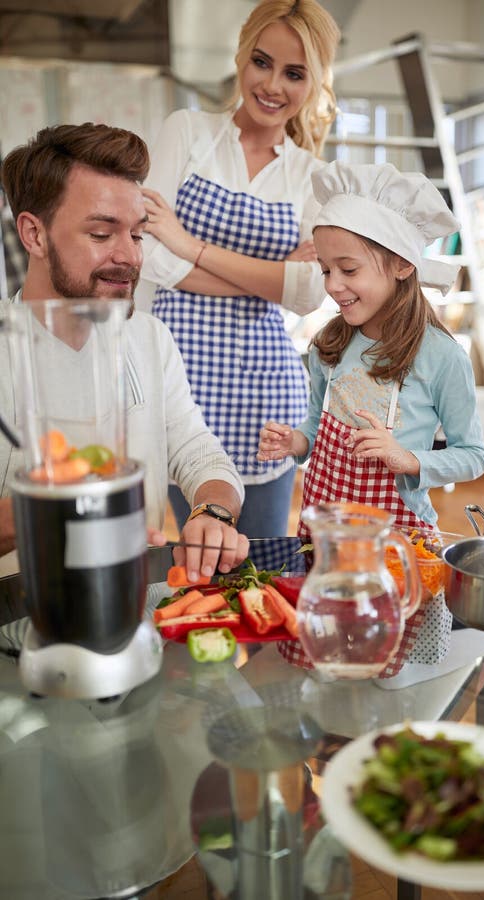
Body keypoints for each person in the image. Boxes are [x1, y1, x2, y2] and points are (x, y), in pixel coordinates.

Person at [257, 159, 484, 681]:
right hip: (326, 537)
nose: (333, 285)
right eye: (326, 271)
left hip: (396, 546)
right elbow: (319, 433)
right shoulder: (329, 344)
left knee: (385, 666)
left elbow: (473, 455)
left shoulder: (441, 356)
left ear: (403, 264)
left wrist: (408, 458)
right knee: (326, 657)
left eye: (349, 269)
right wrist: (295, 441)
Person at [0, 122, 249, 582]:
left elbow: (199, 452)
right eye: (101, 234)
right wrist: (41, 510)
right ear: (34, 235)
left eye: (136, 235)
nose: (131, 257)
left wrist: (213, 512)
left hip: (139, 619)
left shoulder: (149, 337)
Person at [139, 0, 341, 538]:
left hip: (263, 393)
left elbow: (306, 295)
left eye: (294, 73)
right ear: (240, 58)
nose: (273, 84)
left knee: (264, 564)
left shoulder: (310, 177)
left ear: (313, 84)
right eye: (262, 62)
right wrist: (269, 276)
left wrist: (190, 245)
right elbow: (149, 257)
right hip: (179, 380)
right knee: (197, 556)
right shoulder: (187, 132)